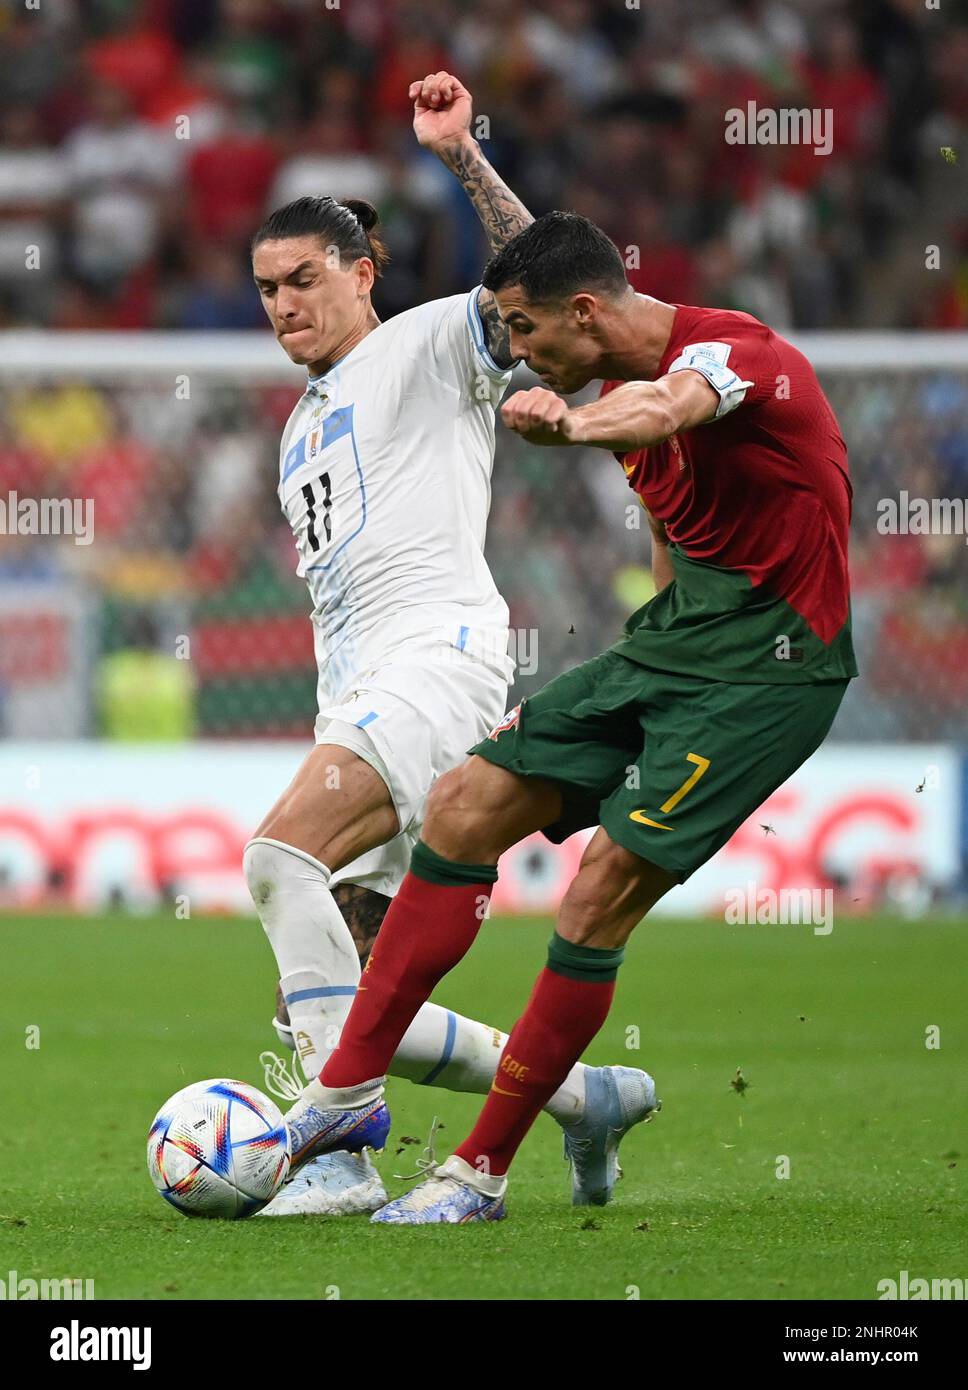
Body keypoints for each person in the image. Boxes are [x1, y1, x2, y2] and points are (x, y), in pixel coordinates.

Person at [281, 210, 857, 1224]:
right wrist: (461, 152)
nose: (513, 352)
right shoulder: (581, 338)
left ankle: (476, 1173)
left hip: (770, 670)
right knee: (463, 803)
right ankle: (337, 1105)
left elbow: (668, 406)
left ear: (582, 315)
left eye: (523, 332)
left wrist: (572, 427)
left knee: (593, 896)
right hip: (669, 643)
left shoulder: (735, 356)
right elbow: (539, 256)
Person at [246, 82, 658, 1217]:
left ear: (361, 274)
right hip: (360, 689)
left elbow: (542, 276)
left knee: (275, 860)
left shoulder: (432, 343)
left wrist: (459, 153)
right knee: (347, 993)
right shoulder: (297, 427)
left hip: (436, 660)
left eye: (305, 281)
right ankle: (583, 1097)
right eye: (268, 290)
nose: (284, 305)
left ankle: (333, 1152)